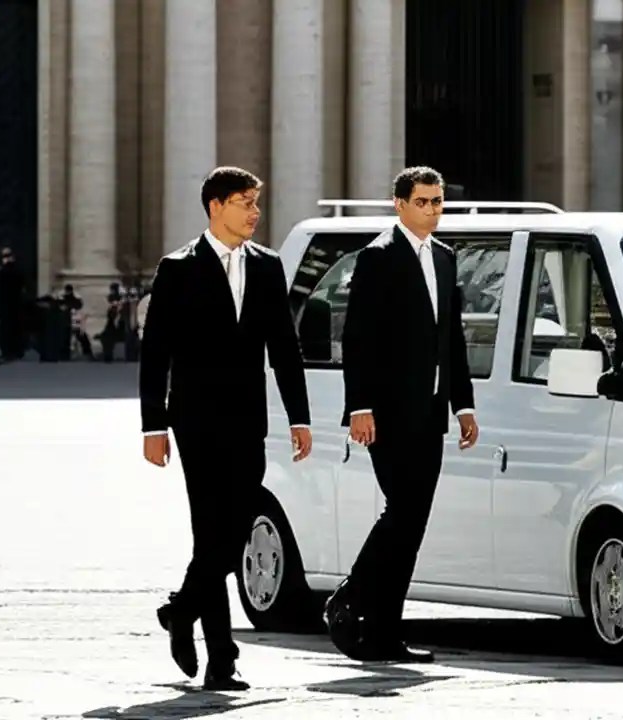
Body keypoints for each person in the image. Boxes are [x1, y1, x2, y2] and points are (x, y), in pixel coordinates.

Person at [139, 166, 312, 690]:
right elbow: (155, 353)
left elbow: (284, 346)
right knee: (210, 530)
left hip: (248, 421)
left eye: (257, 202)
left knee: (232, 530)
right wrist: (153, 426)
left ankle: (180, 609)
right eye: (244, 202)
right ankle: (222, 661)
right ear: (215, 206)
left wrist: (299, 415)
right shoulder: (177, 268)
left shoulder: (267, 266)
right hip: (194, 420)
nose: (255, 212)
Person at [327, 166, 479, 663]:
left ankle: (384, 633)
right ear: (399, 204)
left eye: (438, 202)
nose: (433, 210)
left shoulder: (445, 258)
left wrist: (464, 403)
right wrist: (359, 406)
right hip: (386, 413)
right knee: (402, 512)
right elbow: (358, 337)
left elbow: (450, 337)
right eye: (423, 201)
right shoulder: (378, 257)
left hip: (431, 411)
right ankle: (350, 597)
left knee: (413, 523)